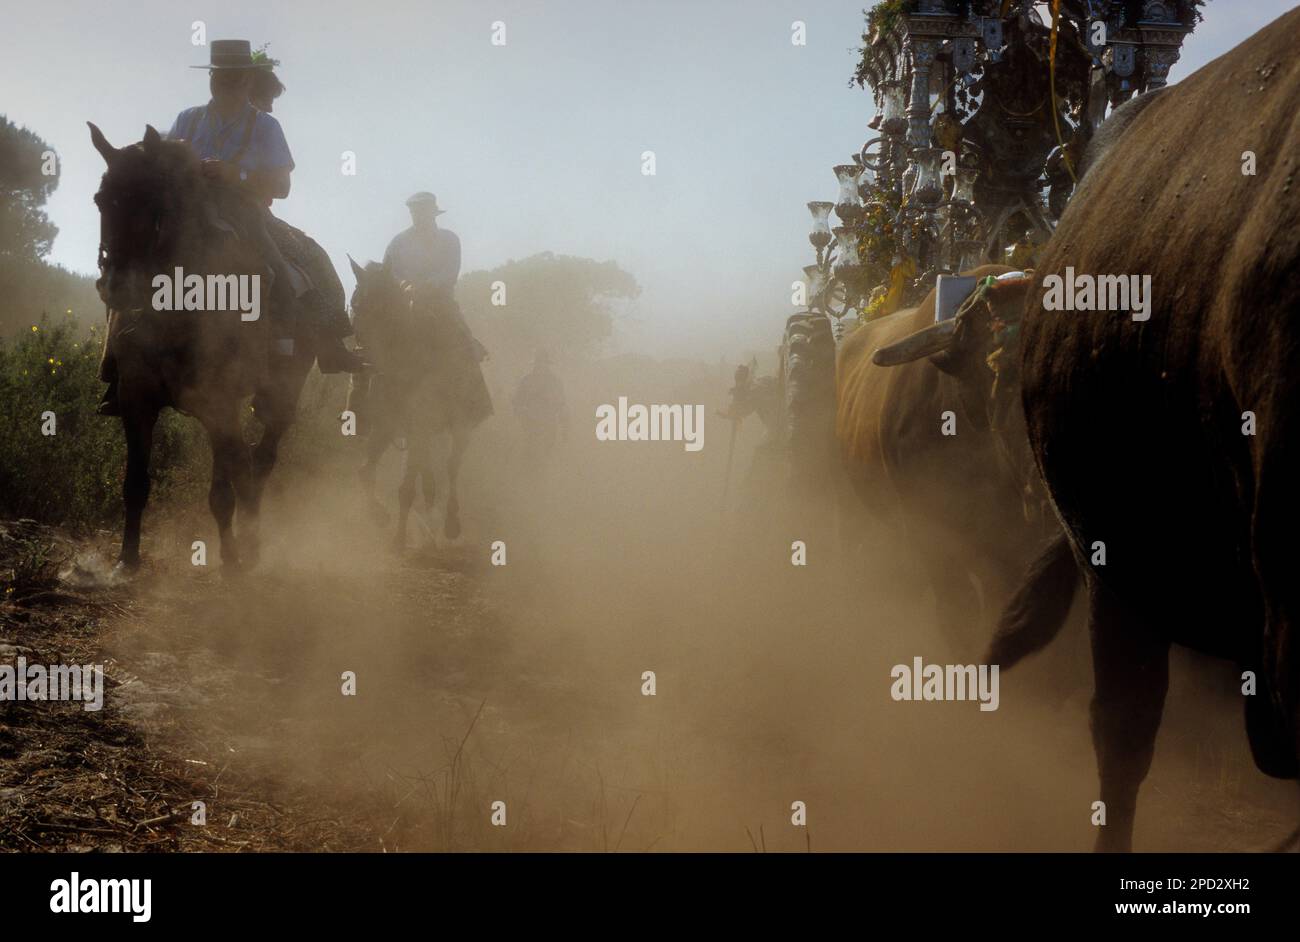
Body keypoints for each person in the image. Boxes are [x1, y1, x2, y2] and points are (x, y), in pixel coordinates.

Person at [98, 39, 360, 415]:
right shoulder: (187, 119)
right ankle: (116, 369)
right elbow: (157, 162)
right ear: (212, 79)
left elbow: (282, 186)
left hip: (245, 212)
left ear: (246, 82)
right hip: (182, 211)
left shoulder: (267, 127)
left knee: (284, 268)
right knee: (129, 265)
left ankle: (291, 352)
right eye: (219, 77)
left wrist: (233, 173)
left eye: (233, 78)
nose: (225, 84)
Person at [511, 350, 568, 459]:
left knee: (547, 450)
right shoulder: (526, 380)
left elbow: (561, 404)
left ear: (547, 365)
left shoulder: (555, 382)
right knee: (531, 450)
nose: (541, 366)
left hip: (549, 422)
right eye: (539, 363)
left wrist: (565, 427)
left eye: (543, 363)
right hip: (530, 422)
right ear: (535, 364)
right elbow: (517, 401)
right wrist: (520, 413)